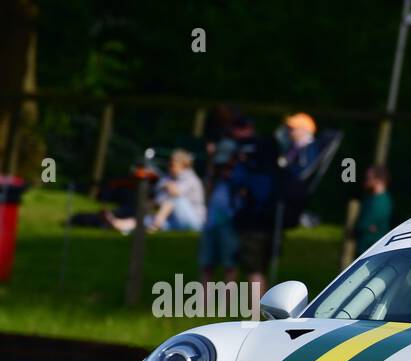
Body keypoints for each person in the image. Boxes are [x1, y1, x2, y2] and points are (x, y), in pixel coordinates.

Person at [228, 114, 280, 296]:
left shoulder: (255, 175)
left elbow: (239, 186)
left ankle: (256, 313)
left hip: (254, 223)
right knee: (253, 267)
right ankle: (252, 309)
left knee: (253, 269)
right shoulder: (274, 173)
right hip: (264, 221)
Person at [104, 149, 205, 234]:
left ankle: (156, 224)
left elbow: (175, 193)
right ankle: (117, 224)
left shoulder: (190, 178)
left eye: (172, 165)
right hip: (176, 220)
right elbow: (158, 199)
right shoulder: (169, 177)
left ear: (183, 165)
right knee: (146, 220)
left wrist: (165, 184)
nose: (169, 167)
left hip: (195, 222)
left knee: (173, 200)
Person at [199, 141, 239, 284]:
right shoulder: (215, 177)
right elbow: (206, 194)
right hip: (211, 224)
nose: (224, 169)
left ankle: (225, 304)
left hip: (230, 225)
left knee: (230, 266)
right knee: (206, 266)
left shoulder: (240, 175)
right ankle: (203, 305)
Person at [354, 165, 392, 253]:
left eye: (369, 178)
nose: (366, 181)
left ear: (378, 180)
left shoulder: (382, 202)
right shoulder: (370, 198)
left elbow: (368, 225)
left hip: (371, 251)